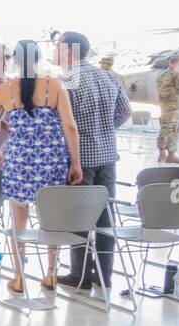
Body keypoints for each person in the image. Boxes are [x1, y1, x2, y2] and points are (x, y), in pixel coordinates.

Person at [0, 40, 83, 293]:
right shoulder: (56, 85)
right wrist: (76, 161)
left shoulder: (5, 90)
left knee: (19, 222)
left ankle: (18, 277)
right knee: (52, 221)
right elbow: (70, 126)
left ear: (14, 60)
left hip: (18, 162)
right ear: (38, 59)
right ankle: (50, 275)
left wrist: (5, 125)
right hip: (52, 160)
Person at [56, 31, 131, 291]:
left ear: (67, 50)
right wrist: (104, 130)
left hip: (81, 158)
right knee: (104, 218)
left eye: (57, 47)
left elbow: (63, 122)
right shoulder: (108, 76)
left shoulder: (66, 80)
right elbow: (125, 111)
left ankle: (79, 274)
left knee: (79, 216)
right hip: (107, 155)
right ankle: (103, 275)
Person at [156, 54, 179, 164]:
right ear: (178, 62)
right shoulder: (176, 74)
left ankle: (162, 153)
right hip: (174, 107)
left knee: (165, 128)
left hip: (164, 106)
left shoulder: (162, 74)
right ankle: (171, 155)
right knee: (174, 129)